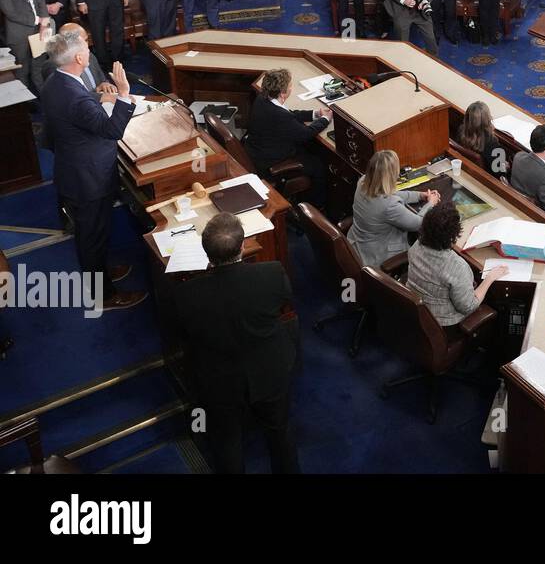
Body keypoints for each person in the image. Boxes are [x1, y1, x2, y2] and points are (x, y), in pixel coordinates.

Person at [171, 212, 300, 474]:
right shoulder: (272, 273)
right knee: (280, 434)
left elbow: (182, 334)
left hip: (219, 381)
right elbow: (285, 303)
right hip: (269, 371)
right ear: (243, 246)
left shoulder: (185, 295)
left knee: (227, 442)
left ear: (207, 253)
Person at [39, 31, 144, 310]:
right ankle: (104, 296)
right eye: (86, 46)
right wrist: (122, 93)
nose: (89, 48)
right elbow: (112, 131)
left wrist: (99, 98)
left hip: (74, 169)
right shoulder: (75, 97)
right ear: (79, 57)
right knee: (92, 237)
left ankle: (100, 273)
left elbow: (79, 111)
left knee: (92, 234)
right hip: (88, 178)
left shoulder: (55, 81)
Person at [406, 196, 509, 326]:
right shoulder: (457, 266)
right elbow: (468, 306)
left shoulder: (416, 245)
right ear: (454, 235)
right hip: (442, 322)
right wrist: (490, 278)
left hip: (414, 306)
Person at [243, 68, 329, 206]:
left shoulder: (262, 99)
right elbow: (305, 134)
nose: (291, 87)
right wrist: (325, 119)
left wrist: (315, 114)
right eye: (290, 85)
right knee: (318, 163)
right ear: (283, 93)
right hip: (270, 162)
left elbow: (290, 114)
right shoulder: (280, 115)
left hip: (257, 150)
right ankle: (317, 205)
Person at [2, 0, 48, 89]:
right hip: (19, 35)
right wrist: (36, 20)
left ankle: (43, 97)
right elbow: (11, 13)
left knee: (39, 66)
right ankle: (27, 104)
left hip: (39, 30)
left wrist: (44, 17)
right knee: (23, 70)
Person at [459, 100, 507, 178]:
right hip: (487, 179)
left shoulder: (461, 130)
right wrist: (505, 166)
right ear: (488, 120)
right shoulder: (493, 144)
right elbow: (501, 176)